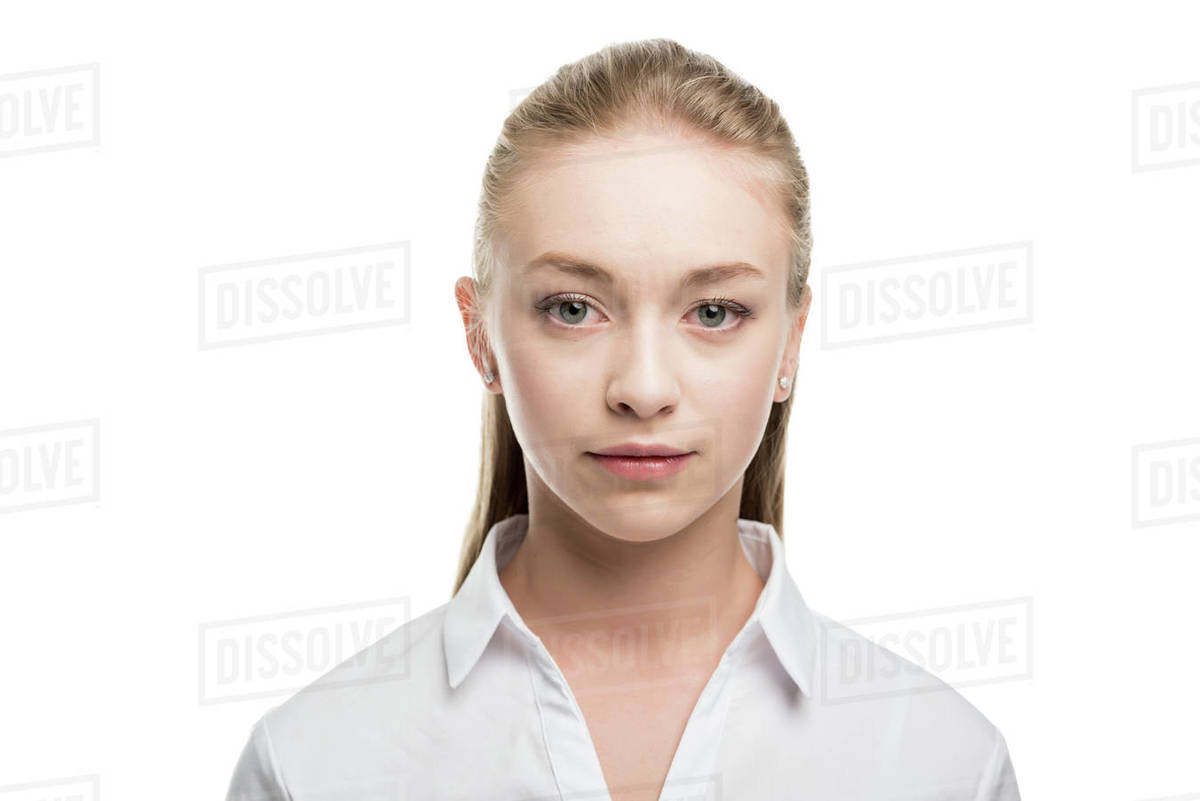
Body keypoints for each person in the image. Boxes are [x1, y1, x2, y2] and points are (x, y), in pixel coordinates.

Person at [225, 37, 1021, 801]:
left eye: (714, 310)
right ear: (480, 334)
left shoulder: (940, 763)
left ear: (792, 341)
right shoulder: (315, 763)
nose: (643, 388)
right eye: (574, 308)